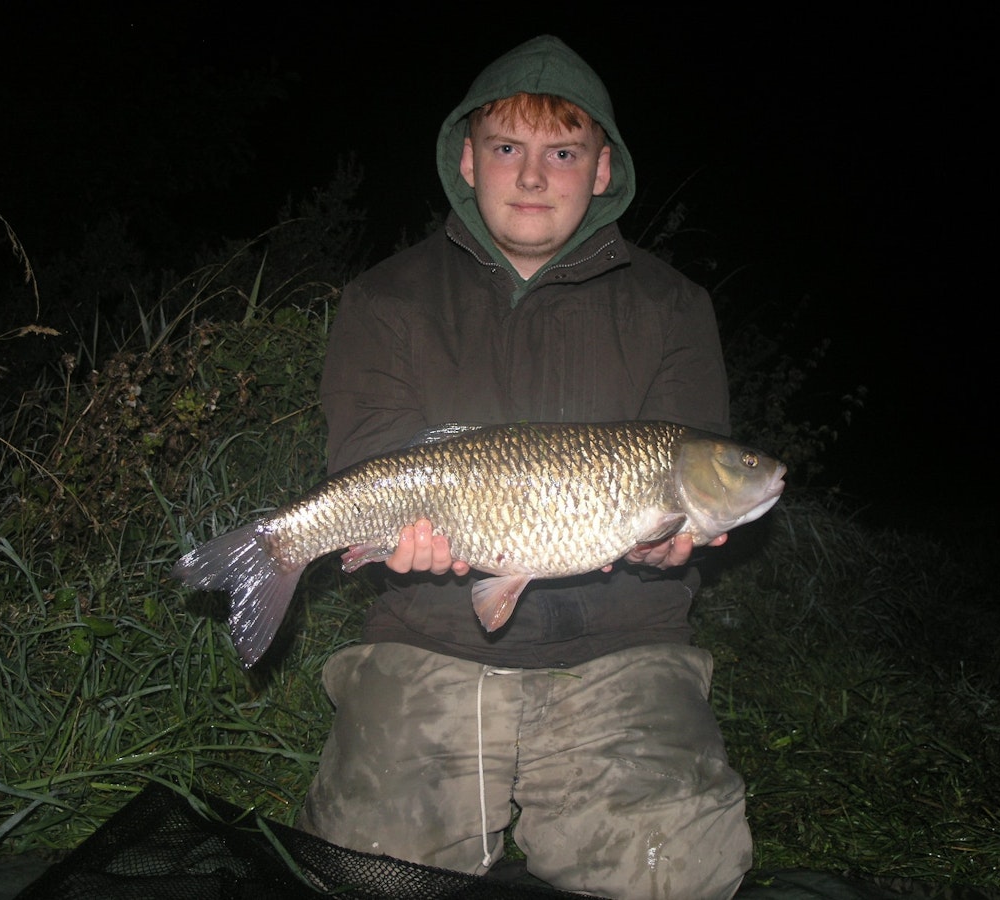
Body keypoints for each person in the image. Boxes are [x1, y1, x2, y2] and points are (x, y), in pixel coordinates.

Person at [296, 34, 752, 899]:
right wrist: (394, 540)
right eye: (508, 149)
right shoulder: (386, 300)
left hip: (625, 644)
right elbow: (370, 462)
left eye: (563, 152)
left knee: (679, 877)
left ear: (603, 169)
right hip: (430, 640)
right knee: (369, 875)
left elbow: (698, 478)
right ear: (466, 161)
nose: (534, 176)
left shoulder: (672, 307)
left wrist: (671, 544)